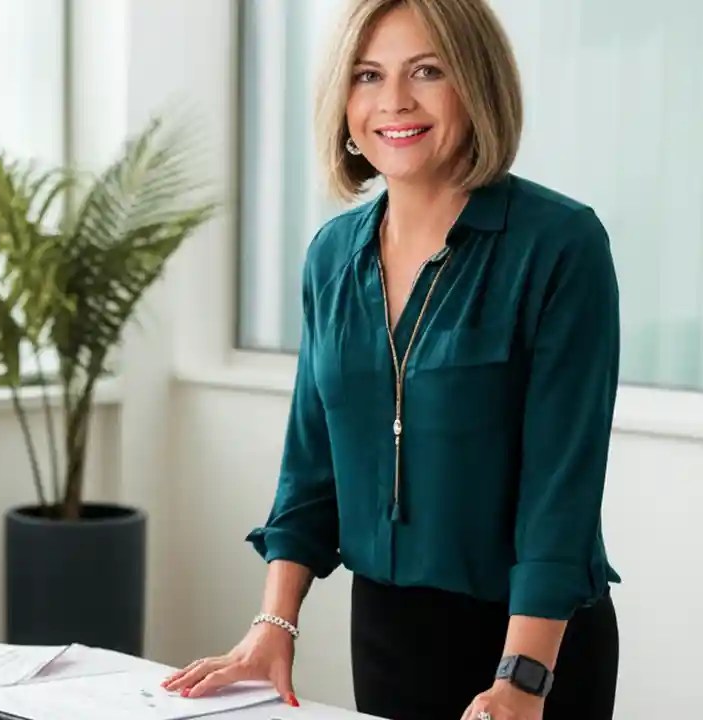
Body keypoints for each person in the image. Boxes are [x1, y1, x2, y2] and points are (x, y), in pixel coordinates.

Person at [164, 1, 621, 718]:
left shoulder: (560, 246)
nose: (394, 102)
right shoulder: (331, 257)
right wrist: (273, 624)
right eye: (368, 74)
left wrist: (523, 680)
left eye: (427, 71)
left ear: (477, 83)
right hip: (388, 634)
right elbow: (312, 466)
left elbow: (561, 491)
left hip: (533, 643)